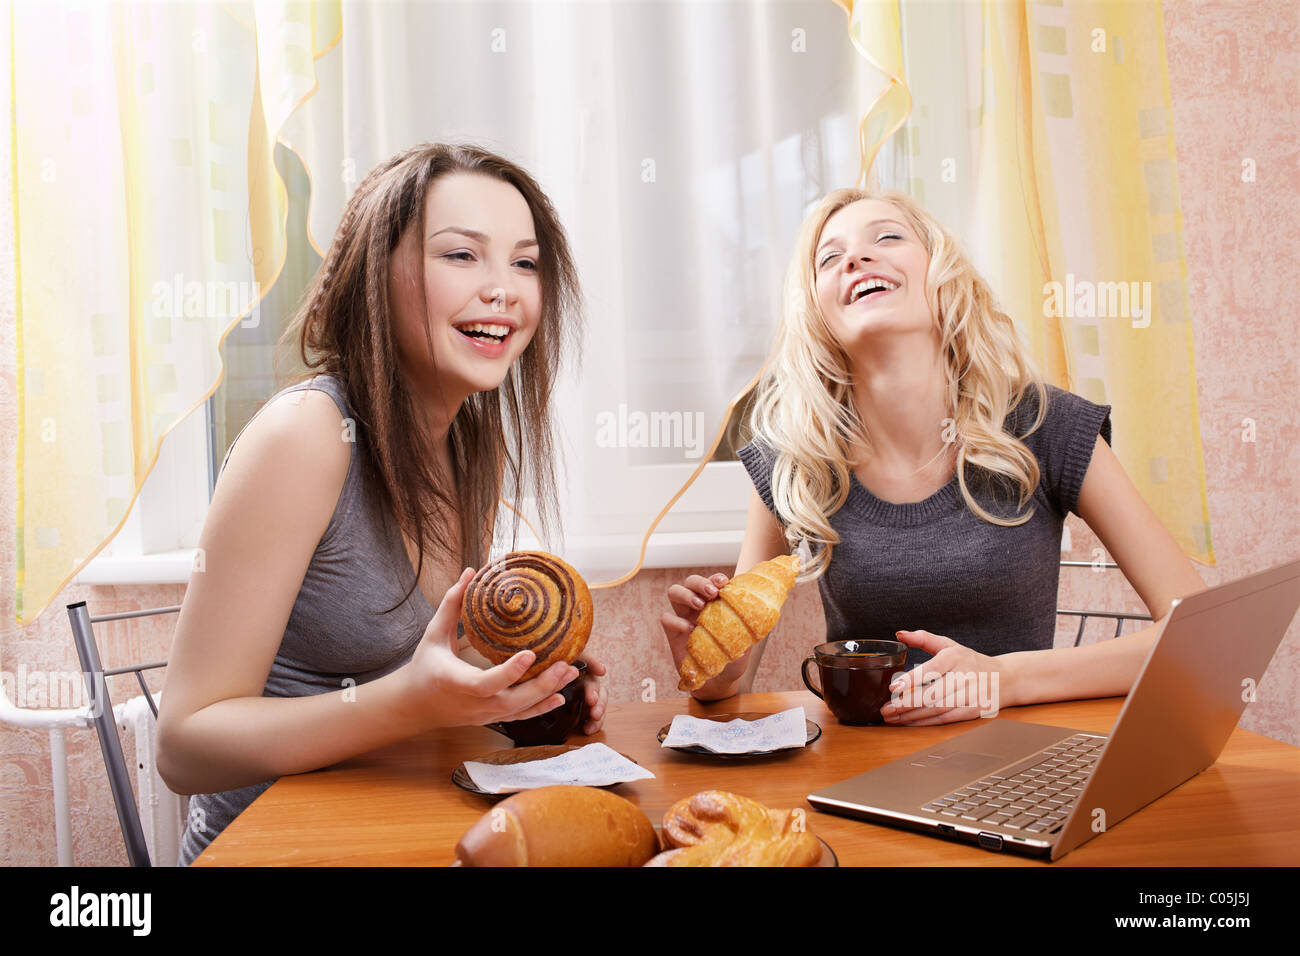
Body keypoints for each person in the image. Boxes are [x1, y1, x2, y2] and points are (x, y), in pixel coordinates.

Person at [157, 143, 606, 865]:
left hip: (385, 838)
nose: (504, 290)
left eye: (524, 263)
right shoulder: (307, 435)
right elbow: (183, 747)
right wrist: (413, 701)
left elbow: (412, 663)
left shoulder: (467, 445)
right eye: (462, 255)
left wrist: (512, 693)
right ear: (378, 272)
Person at [662, 188, 1205, 724]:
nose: (855, 257)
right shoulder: (793, 462)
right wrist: (710, 658)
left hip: (1015, 771)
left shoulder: (1048, 425)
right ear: (818, 315)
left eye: (888, 237)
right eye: (829, 258)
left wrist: (1003, 680)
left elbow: (1199, 633)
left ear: (944, 277)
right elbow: (726, 692)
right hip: (855, 779)